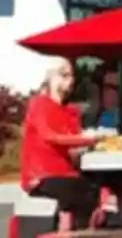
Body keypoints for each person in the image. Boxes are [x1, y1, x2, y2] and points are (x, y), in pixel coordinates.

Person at [20, 58, 101, 227]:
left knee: (98, 187)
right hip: (41, 176)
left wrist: (91, 144)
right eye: (63, 75)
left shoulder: (71, 112)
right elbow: (50, 136)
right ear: (49, 77)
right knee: (81, 192)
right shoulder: (40, 104)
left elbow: (74, 146)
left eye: (71, 76)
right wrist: (87, 139)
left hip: (67, 173)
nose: (70, 80)